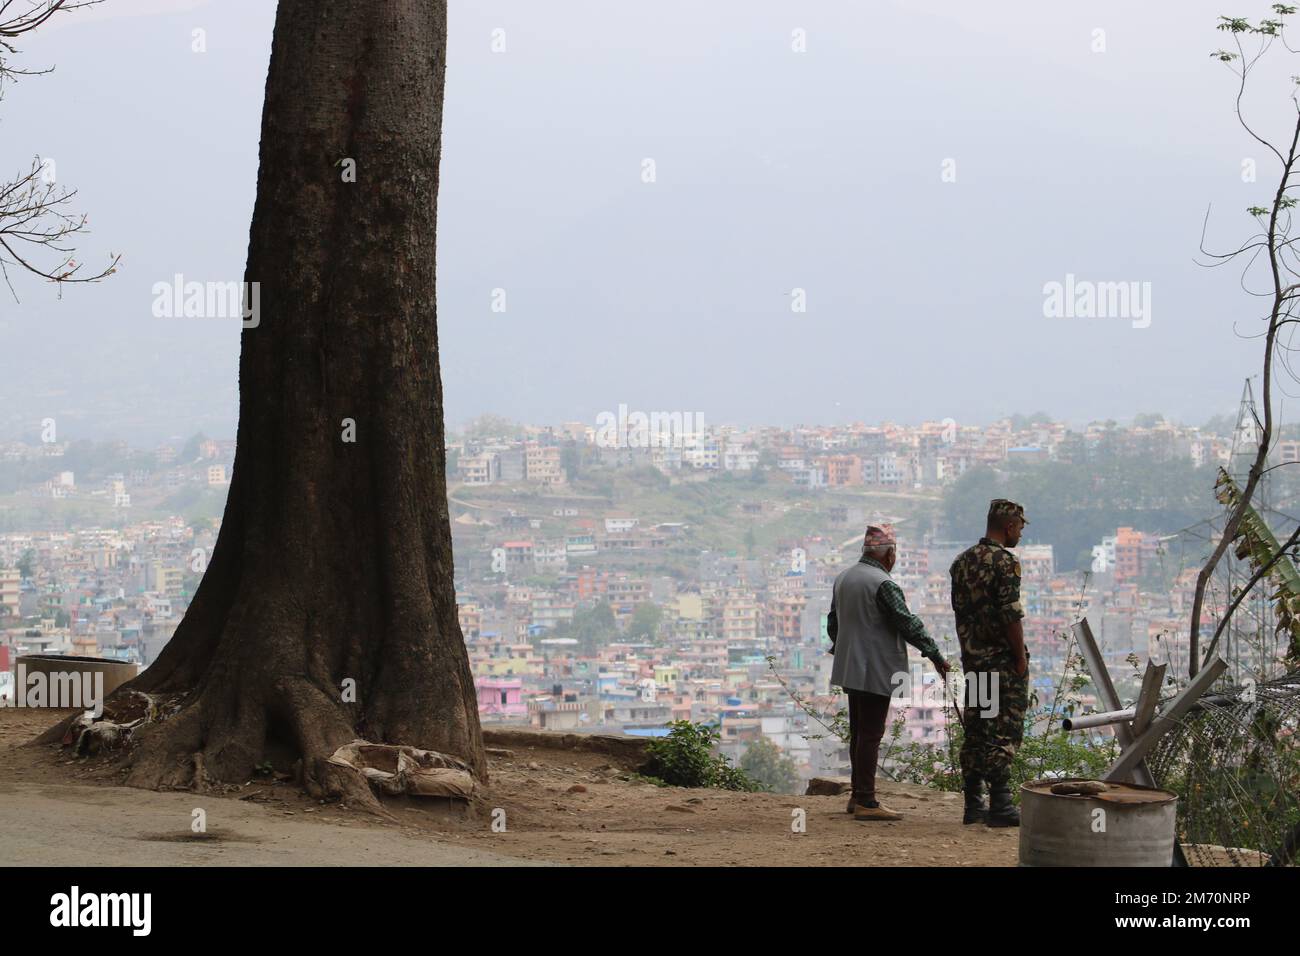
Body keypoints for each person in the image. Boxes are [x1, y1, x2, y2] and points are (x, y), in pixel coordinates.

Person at [828, 525, 950, 822]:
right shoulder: (883, 584)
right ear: (890, 554)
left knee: (858, 732)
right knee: (871, 733)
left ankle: (857, 795)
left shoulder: (844, 578)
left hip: (849, 665)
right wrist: (934, 653)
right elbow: (906, 622)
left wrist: (843, 648)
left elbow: (833, 623)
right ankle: (867, 802)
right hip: (874, 667)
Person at [949, 498, 1031, 828]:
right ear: (1009, 525)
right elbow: (1010, 615)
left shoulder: (961, 563)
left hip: (975, 661)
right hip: (1001, 663)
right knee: (1004, 730)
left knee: (978, 729)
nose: (1021, 535)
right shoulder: (1005, 562)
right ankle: (1000, 803)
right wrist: (1019, 657)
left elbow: (963, 614)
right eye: (1021, 528)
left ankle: (972, 803)